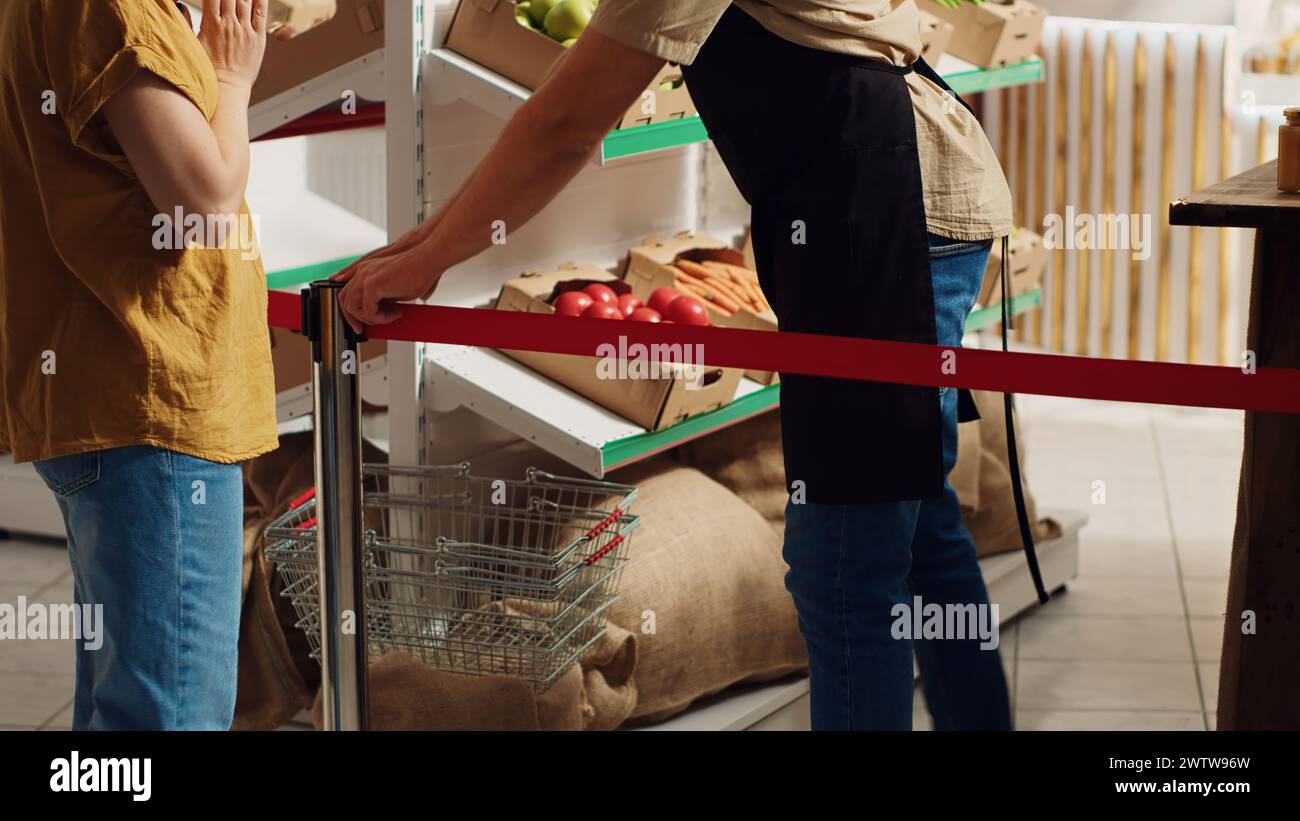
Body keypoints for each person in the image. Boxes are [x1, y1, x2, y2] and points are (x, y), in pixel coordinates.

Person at [337, 0, 1014, 731]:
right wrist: (417, 251)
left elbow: (565, 124)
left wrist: (430, 259)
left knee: (847, 567)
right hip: (893, 195)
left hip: (887, 209)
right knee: (915, 528)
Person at [0, 0, 273, 729]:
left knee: (122, 710)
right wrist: (232, 77)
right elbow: (205, 204)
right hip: (150, 403)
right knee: (169, 713)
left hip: (108, 396)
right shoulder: (112, 9)